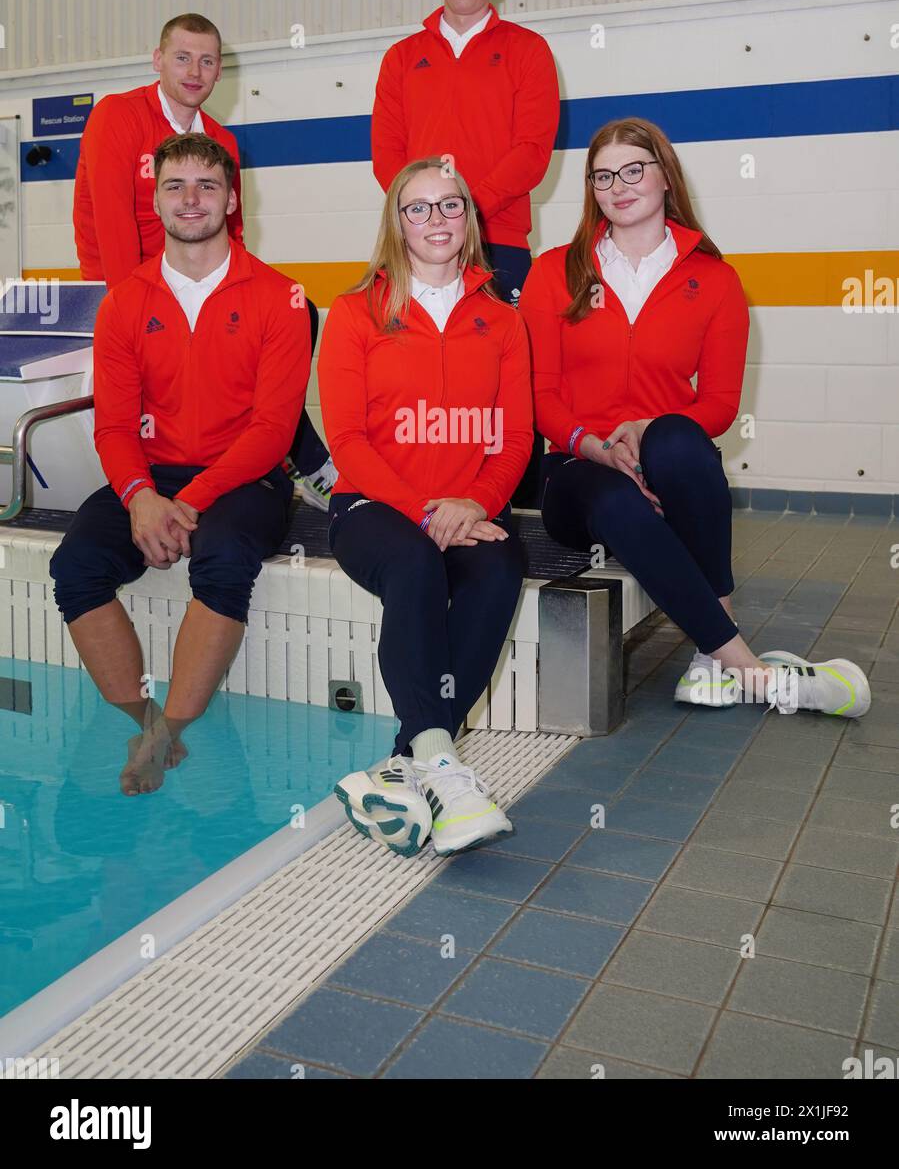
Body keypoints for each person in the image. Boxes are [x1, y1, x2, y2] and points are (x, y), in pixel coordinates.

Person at [519, 117, 871, 719]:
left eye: (634, 170)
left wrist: (647, 429)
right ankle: (749, 669)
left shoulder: (714, 280)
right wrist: (597, 445)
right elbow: (541, 395)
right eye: (603, 176)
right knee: (614, 498)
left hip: (668, 461)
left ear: (665, 177)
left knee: (681, 437)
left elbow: (720, 404)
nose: (618, 186)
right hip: (577, 472)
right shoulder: (555, 272)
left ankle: (713, 658)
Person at [50, 134, 311, 795]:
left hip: (243, 476)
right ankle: (146, 722)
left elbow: (273, 429)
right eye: (175, 186)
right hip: (151, 475)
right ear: (156, 198)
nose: (190, 199)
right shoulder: (126, 300)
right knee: (75, 564)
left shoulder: (281, 298)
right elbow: (112, 423)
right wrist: (139, 495)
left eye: (206, 185)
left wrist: (189, 501)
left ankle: (172, 729)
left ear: (231, 198)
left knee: (223, 560)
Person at [318, 157, 533, 855]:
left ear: (469, 219)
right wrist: (422, 511)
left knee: (501, 565)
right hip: (371, 507)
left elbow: (515, 437)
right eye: (419, 207)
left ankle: (405, 765)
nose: (436, 220)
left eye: (451, 205)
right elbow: (346, 440)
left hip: (464, 508)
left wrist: (472, 504)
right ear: (396, 221)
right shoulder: (356, 313)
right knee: (414, 565)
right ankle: (445, 768)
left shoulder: (501, 321)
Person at [73, 11, 335, 509]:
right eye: (183, 58)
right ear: (158, 61)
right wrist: (138, 303)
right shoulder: (117, 115)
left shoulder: (221, 138)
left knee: (299, 313)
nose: (195, 70)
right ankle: (306, 460)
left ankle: (281, 455)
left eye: (207, 61)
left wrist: (250, 303)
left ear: (219, 72)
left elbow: (233, 232)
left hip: (199, 283)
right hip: (131, 290)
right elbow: (111, 223)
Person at [371, 0, 560, 503]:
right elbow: (388, 159)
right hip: (415, 253)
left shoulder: (528, 50)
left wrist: (460, 213)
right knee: (419, 381)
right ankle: (415, 504)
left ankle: (517, 511)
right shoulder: (402, 58)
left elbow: (532, 152)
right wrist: (433, 217)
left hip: (499, 243)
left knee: (506, 385)